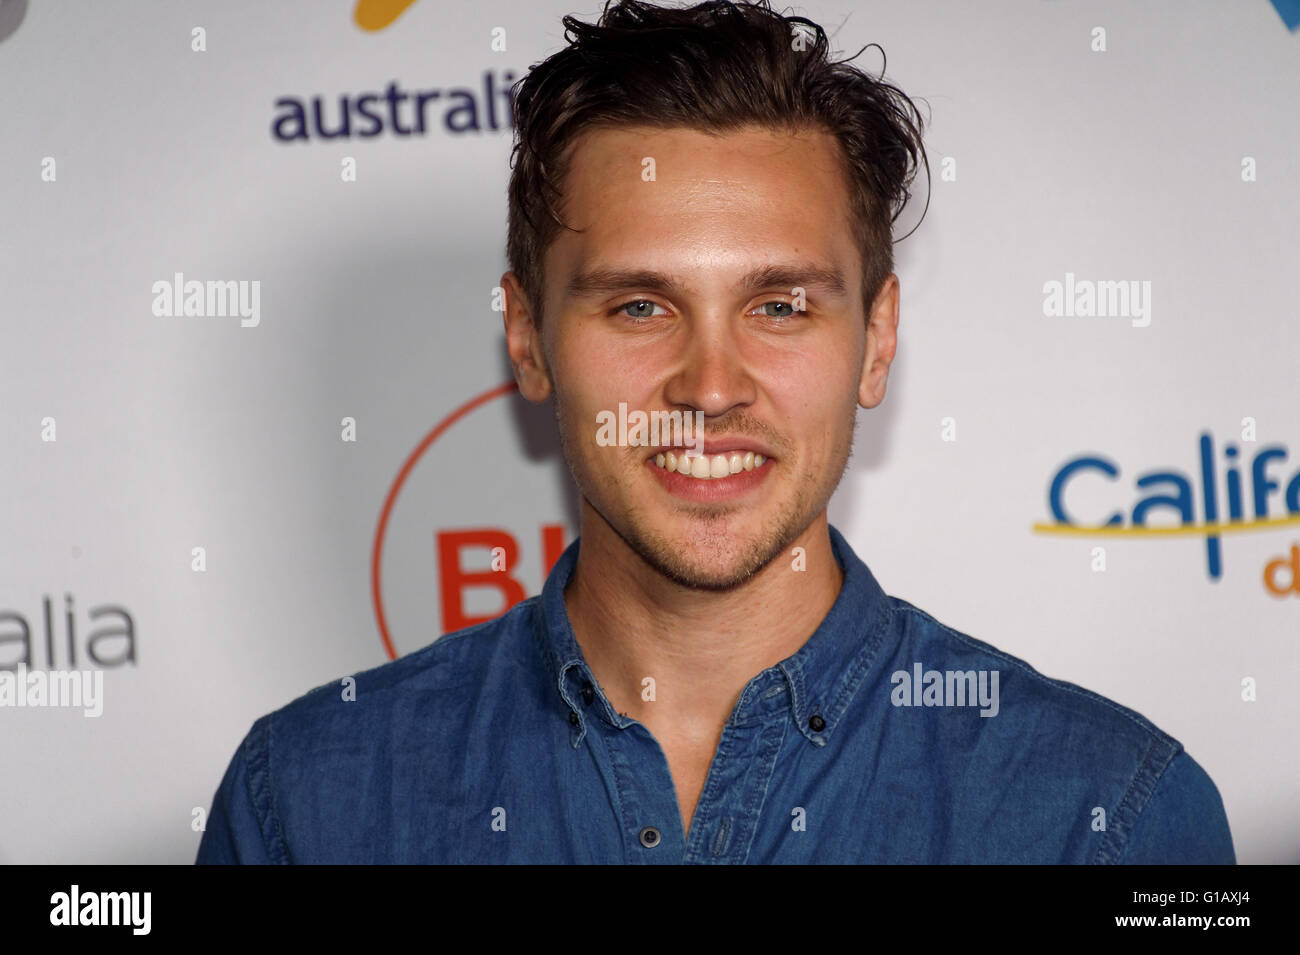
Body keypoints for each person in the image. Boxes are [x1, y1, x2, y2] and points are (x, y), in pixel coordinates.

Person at [197, 0, 1234, 864]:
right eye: (639, 306)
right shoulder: (306, 804)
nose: (709, 386)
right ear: (526, 336)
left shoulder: (1110, 817)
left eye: (779, 305)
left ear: (875, 343)